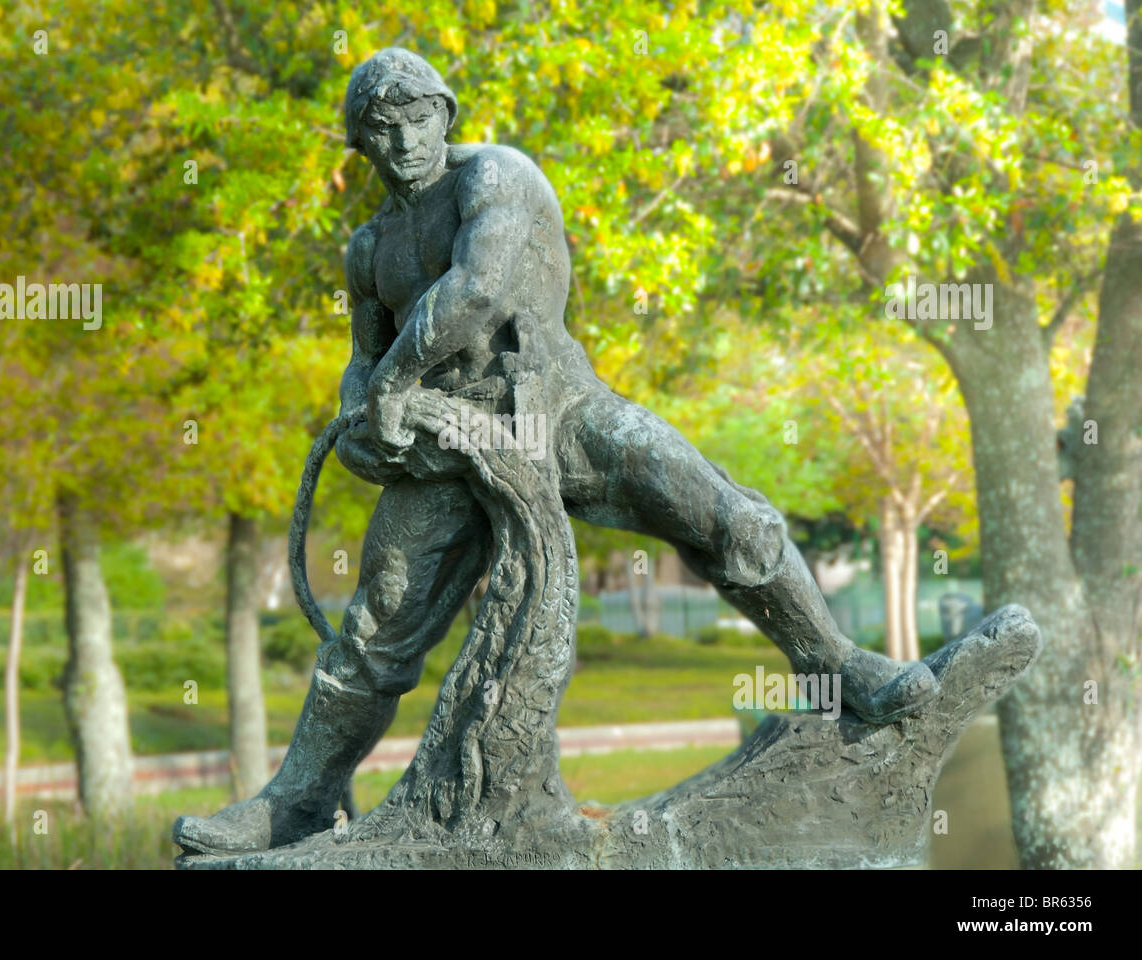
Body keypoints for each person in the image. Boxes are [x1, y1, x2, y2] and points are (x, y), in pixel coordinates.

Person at [173, 48, 940, 857]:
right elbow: (364, 361)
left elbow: (479, 290)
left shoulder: (497, 179)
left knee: (733, 521)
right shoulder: (370, 249)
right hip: (449, 448)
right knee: (370, 633)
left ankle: (838, 662)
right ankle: (298, 803)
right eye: (381, 131)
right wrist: (361, 414)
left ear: (447, 114)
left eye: (416, 120)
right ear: (360, 145)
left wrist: (393, 381)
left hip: (559, 410)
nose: (402, 144)